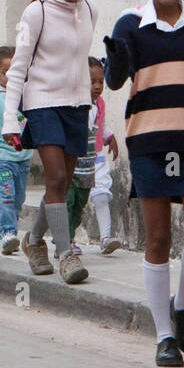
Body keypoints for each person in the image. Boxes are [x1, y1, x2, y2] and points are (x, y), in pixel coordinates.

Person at [102, 0, 184, 367]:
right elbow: (113, 82)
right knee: (159, 239)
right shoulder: (130, 23)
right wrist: (116, 57)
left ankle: (181, 304)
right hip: (149, 141)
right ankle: (164, 335)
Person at [3, 0, 98, 286]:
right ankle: (65, 254)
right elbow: (18, 67)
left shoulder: (89, 9)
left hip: (76, 105)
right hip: (42, 103)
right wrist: (10, 120)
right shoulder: (36, 13)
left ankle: (32, 241)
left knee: (63, 182)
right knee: (56, 177)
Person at [0, 46, 31, 255]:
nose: (11, 76)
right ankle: (6, 234)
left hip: (24, 155)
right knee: (7, 196)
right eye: (5, 72)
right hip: (1, 156)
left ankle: (11, 229)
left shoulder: (26, 93)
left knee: (18, 198)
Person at [72, 58, 121, 254]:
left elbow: (101, 125)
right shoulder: (75, 105)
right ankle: (68, 239)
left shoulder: (99, 104)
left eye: (101, 81)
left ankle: (106, 237)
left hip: (97, 157)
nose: (98, 86)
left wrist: (110, 137)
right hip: (76, 159)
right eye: (92, 82)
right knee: (74, 201)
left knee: (101, 195)